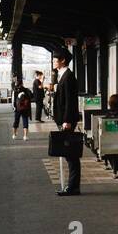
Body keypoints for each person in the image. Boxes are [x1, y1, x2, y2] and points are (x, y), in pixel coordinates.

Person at [52, 51, 81, 196]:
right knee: (69, 153)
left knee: (71, 154)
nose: (53, 61)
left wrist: (67, 121)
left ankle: (73, 187)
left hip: (67, 121)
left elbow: (70, 101)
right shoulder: (63, 75)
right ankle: (72, 186)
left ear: (63, 60)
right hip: (64, 120)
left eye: (55, 59)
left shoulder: (68, 77)